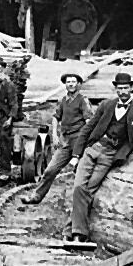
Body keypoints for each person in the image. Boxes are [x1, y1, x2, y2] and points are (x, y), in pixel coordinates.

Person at [68, 71, 133, 243]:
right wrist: (76, 154)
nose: (122, 92)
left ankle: (74, 232)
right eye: (119, 88)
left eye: (126, 88)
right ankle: (78, 233)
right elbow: (87, 128)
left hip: (109, 155)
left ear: (132, 88)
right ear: (115, 89)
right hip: (94, 148)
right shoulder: (106, 105)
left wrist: (120, 157)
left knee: (89, 191)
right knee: (78, 187)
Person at [22, 70, 92, 205]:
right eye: (68, 82)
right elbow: (55, 117)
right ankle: (36, 196)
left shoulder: (83, 100)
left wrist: (86, 140)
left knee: (81, 174)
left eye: (73, 82)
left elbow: (89, 121)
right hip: (65, 141)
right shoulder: (62, 100)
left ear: (78, 84)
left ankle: (82, 204)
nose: (71, 84)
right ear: (65, 85)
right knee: (50, 170)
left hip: (80, 140)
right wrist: (54, 134)